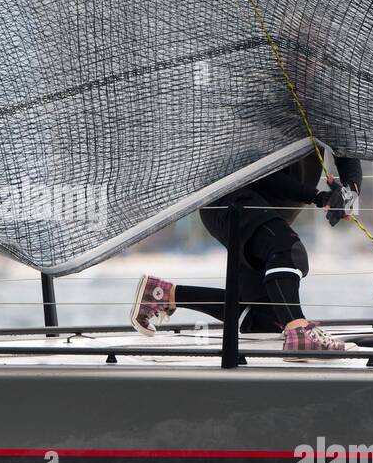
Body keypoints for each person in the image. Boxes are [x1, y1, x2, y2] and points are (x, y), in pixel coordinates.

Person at [129, 149, 361, 351]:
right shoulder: (272, 104)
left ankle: (162, 294)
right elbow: (258, 173)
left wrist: (348, 194)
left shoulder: (322, 108)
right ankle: (299, 334)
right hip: (229, 198)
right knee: (288, 251)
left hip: (265, 214)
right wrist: (318, 197)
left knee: (265, 319)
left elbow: (347, 152)